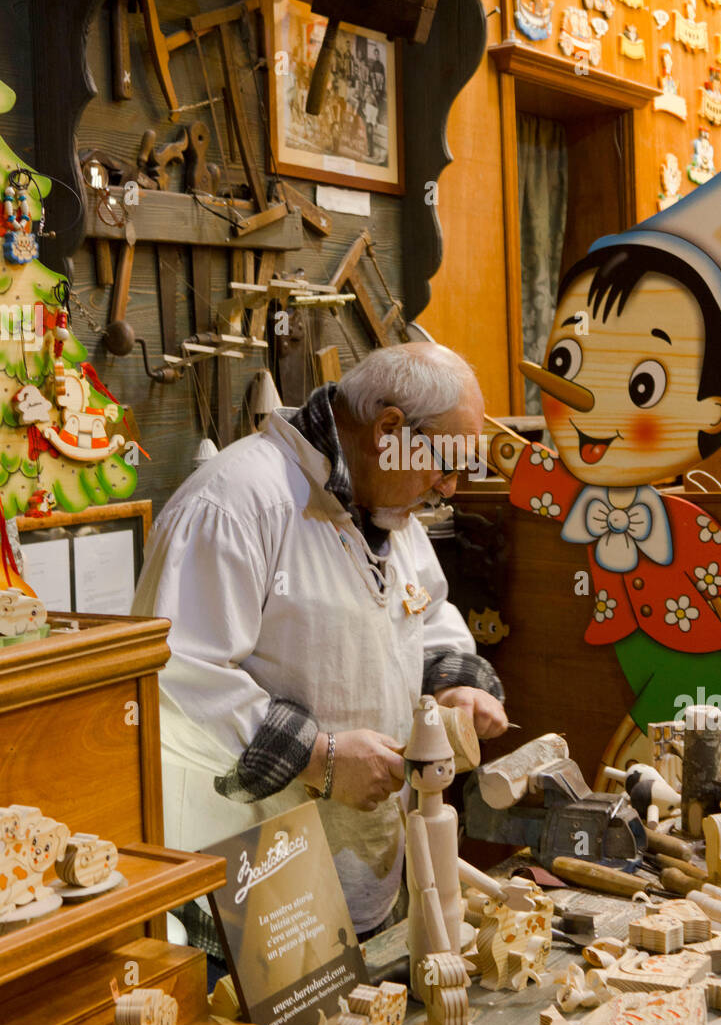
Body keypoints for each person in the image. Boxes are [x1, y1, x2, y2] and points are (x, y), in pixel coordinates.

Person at [132, 343, 508, 952]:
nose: (452, 486)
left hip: (362, 873)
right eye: (445, 462)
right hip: (252, 888)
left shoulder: (386, 506)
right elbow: (173, 678)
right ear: (389, 429)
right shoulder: (234, 502)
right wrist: (319, 757)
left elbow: (425, 610)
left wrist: (452, 680)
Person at [487, 143, 721, 777]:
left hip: (693, 673)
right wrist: (456, 419)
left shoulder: (685, 523)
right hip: (641, 667)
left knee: (625, 777)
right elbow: (520, 464)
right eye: (565, 364)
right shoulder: (581, 499)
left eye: (642, 385)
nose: (587, 406)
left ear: (712, 416)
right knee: (658, 789)